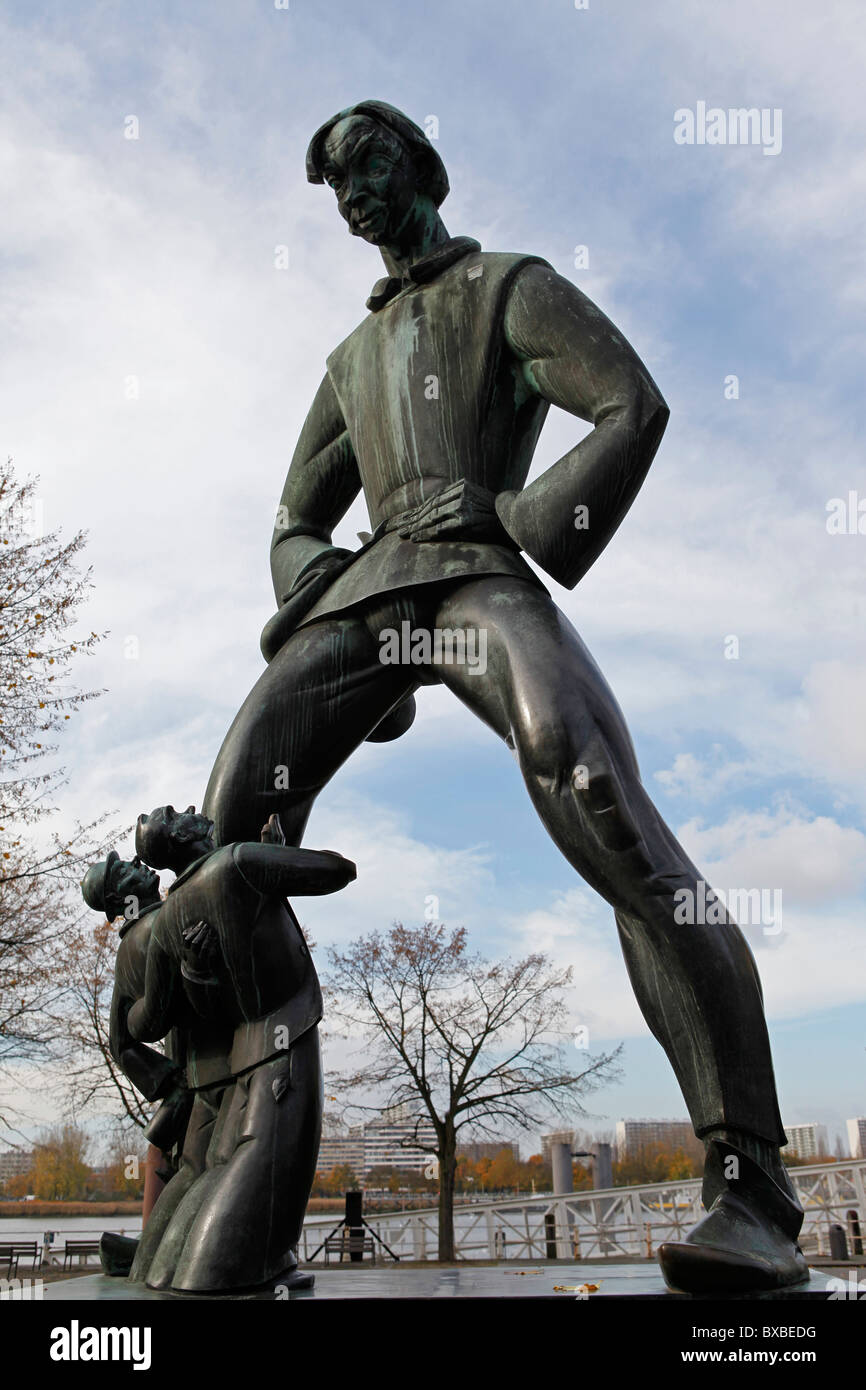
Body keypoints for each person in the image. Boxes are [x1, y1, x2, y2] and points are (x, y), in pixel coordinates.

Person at [201, 101, 805, 1292]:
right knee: (228, 827)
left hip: (475, 575)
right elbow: (291, 522)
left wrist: (525, 521)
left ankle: (749, 1185)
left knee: (589, 787)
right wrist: (318, 602)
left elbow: (630, 401)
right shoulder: (349, 358)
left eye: (367, 165)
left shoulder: (507, 287)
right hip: (363, 599)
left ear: (419, 165)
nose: (352, 195)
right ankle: (223, 1179)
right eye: (333, 186)